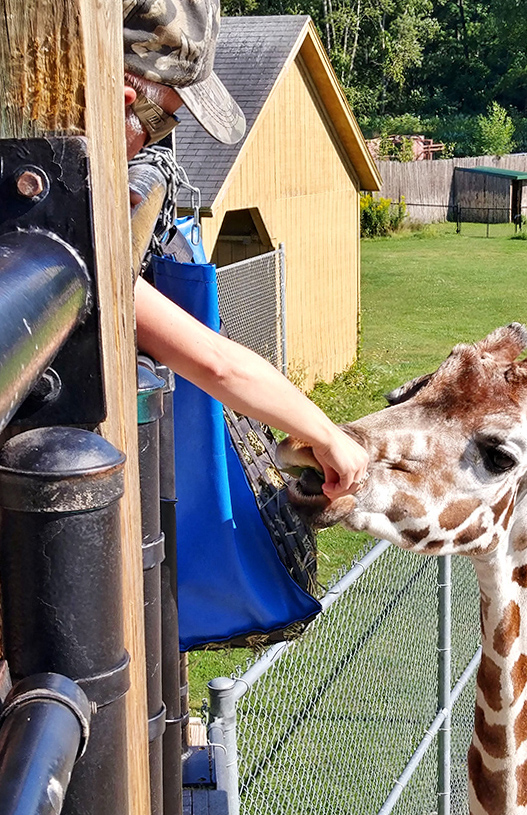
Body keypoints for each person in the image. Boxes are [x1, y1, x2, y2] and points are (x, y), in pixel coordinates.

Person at [123, 0, 369, 499]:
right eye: (160, 121)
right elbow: (216, 363)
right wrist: (327, 437)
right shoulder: (68, 238)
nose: (152, 145)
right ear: (122, 96)